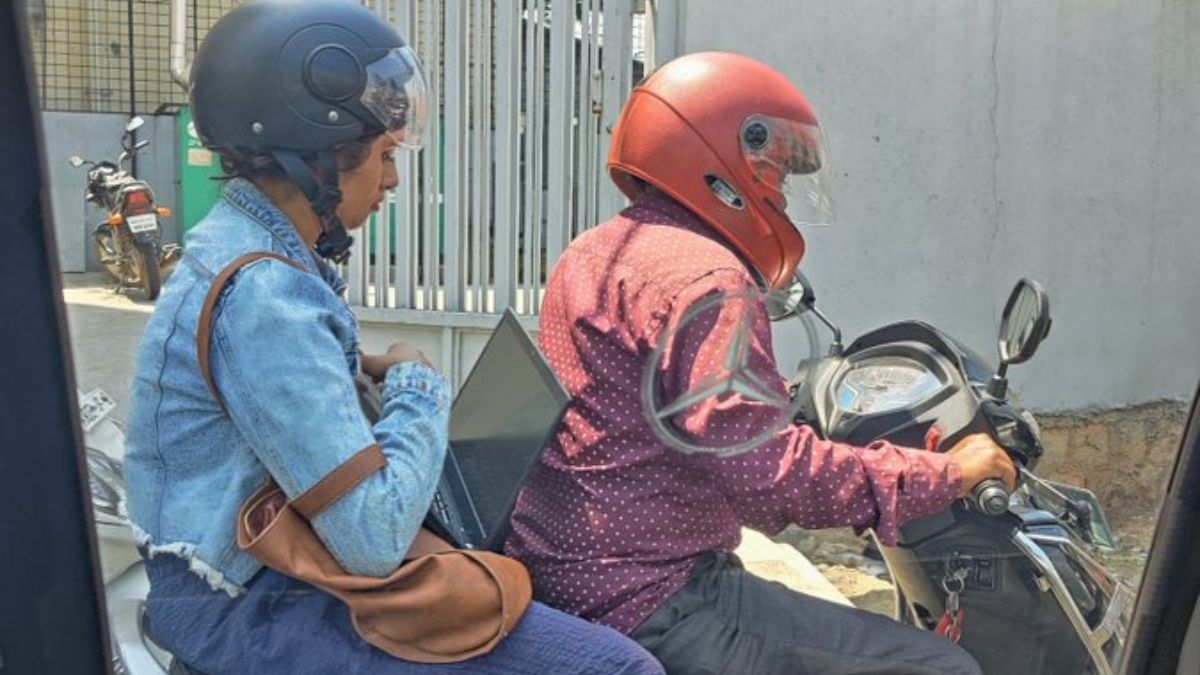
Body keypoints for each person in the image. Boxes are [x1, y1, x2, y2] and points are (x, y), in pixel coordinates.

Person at [122, 1, 664, 672]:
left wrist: (357, 368)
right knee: (617, 666)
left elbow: (279, 389)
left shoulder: (250, 246)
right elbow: (373, 537)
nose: (393, 179)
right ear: (316, 159)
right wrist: (415, 383)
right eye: (382, 155)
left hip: (242, 574)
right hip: (245, 600)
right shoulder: (265, 292)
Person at [505, 51, 1017, 675]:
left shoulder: (595, 251)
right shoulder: (709, 280)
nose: (778, 192)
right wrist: (941, 473)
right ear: (718, 163)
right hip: (654, 598)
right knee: (945, 669)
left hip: (574, 567)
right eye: (772, 170)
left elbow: (666, 411)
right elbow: (766, 476)